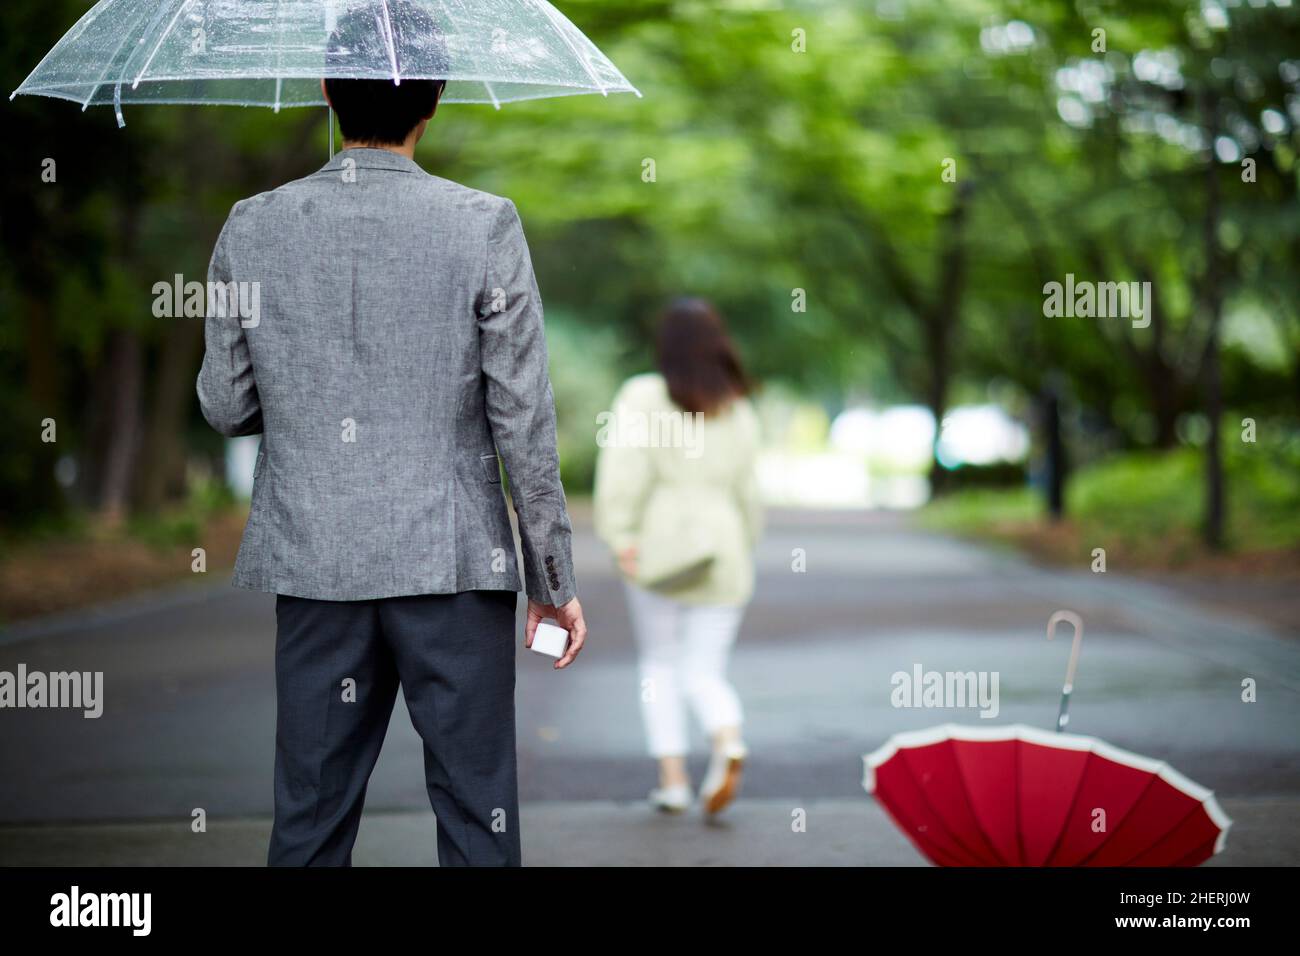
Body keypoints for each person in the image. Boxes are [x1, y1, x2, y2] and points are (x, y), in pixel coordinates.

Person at [196, 3, 586, 867]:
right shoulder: (484, 224)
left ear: (327, 90)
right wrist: (551, 577)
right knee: (475, 813)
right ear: (436, 98)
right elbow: (520, 416)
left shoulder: (250, 226)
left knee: (309, 819)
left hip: (314, 560)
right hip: (452, 564)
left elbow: (225, 406)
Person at [593, 298, 762, 816]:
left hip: (659, 545)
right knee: (706, 669)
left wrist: (619, 532)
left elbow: (625, 471)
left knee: (660, 664)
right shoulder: (737, 405)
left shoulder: (643, 395)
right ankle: (726, 736)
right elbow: (749, 493)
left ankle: (673, 783)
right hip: (725, 546)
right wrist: (744, 546)